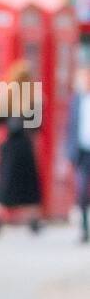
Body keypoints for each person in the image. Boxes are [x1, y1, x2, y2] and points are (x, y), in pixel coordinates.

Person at [0, 60, 42, 236]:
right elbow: (37, 126)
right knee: (29, 183)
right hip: (25, 145)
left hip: (10, 144)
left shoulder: (7, 96)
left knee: (5, 182)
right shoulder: (33, 98)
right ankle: (33, 219)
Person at [67, 64, 90, 244]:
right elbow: (71, 127)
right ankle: (84, 227)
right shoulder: (76, 100)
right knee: (81, 190)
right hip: (81, 151)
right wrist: (69, 151)